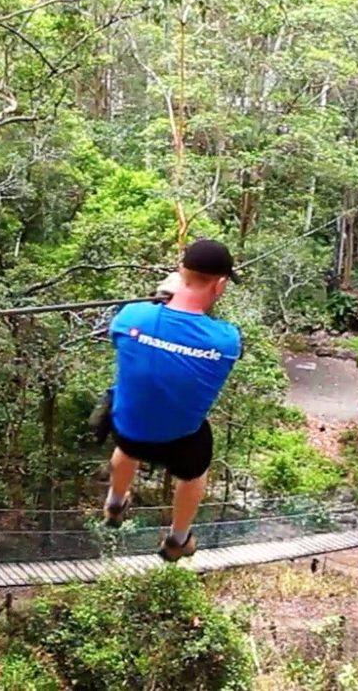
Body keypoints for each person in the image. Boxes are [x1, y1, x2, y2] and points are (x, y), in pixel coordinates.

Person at [98, 239, 243, 561]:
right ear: (219, 285)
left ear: (180, 273)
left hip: (128, 430)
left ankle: (115, 501)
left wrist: (161, 299)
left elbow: (124, 336)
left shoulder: (130, 316)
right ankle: (178, 539)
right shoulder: (226, 340)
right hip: (179, 440)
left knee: (128, 436)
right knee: (195, 470)